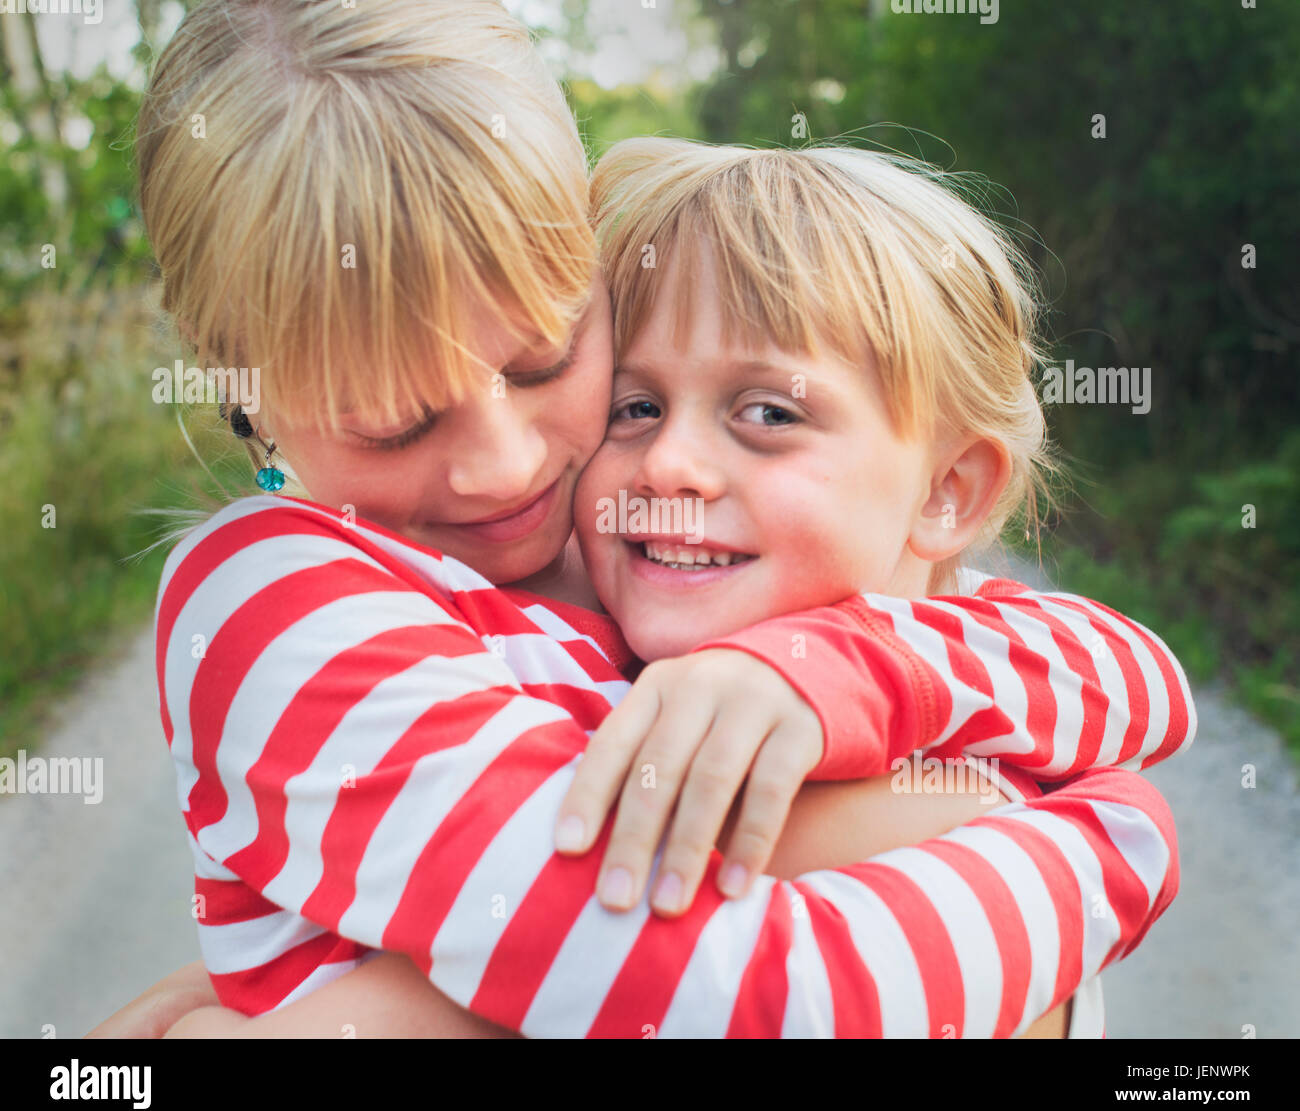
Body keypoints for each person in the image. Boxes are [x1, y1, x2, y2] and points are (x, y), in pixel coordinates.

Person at [97, 0, 1190, 1038]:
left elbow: (1120, 669)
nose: (507, 465)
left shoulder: (626, 544)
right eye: (394, 424)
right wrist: (1096, 847)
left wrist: (831, 673)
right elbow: (723, 997)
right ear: (241, 388)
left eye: (548, 359)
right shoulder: (272, 605)